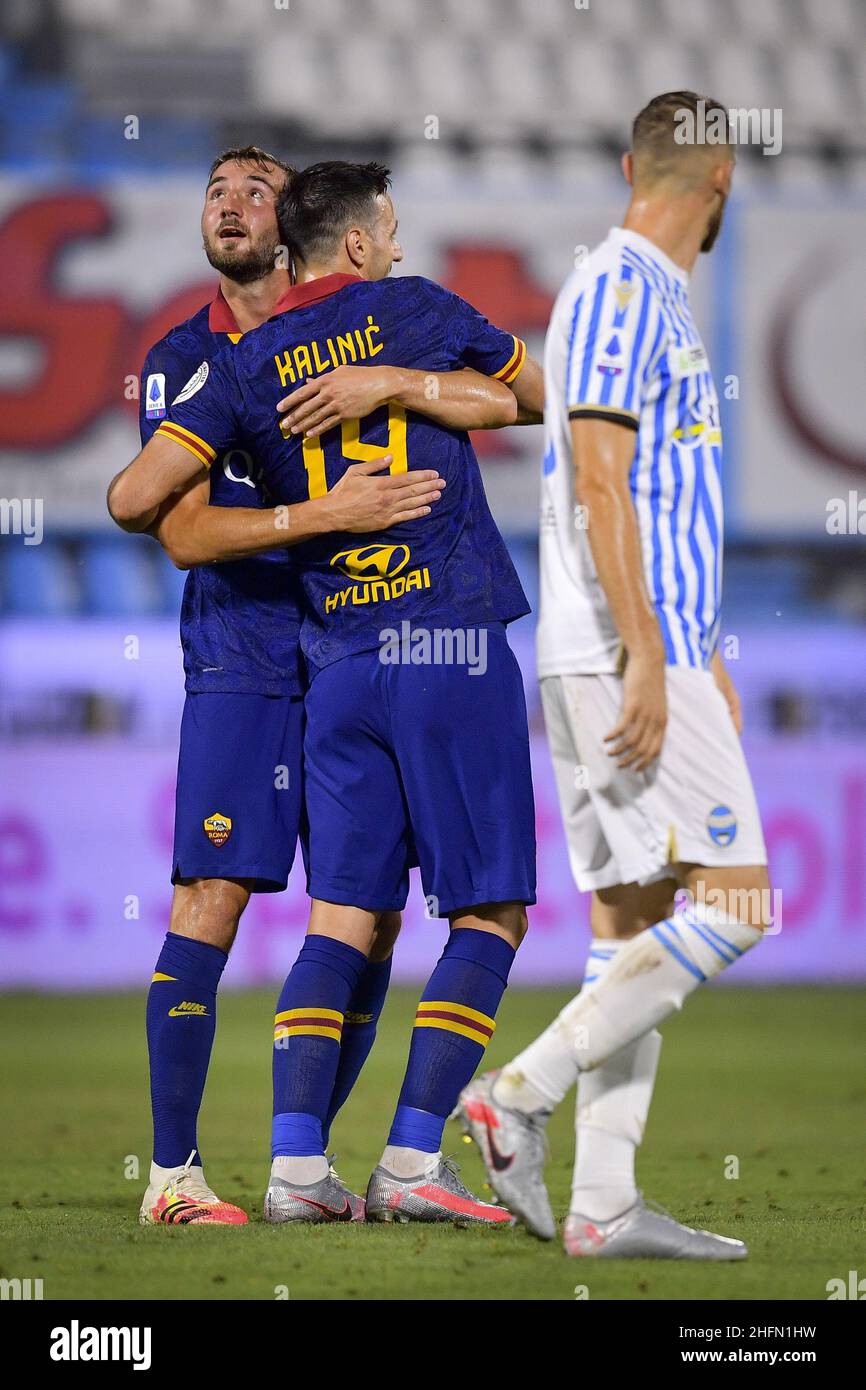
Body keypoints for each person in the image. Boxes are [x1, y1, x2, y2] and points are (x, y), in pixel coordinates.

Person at [108, 159, 545, 1226]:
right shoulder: (401, 309)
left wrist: (389, 389)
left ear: (288, 225)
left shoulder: (247, 368)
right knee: (473, 905)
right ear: (356, 242)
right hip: (331, 650)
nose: (229, 200)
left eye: (256, 187)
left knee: (358, 916)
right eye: (214, 184)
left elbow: (129, 494)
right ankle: (249, 1169)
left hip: (339, 656)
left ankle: (303, 1169)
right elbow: (542, 399)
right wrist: (332, 505)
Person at [459, 92, 769, 1261]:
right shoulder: (616, 283)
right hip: (614, 649)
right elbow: (594, 484)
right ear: (719, 175)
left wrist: (703, 647)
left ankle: (600, 1204)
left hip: (654, 643)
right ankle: (516, 1093)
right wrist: (648, 649)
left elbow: (657, 499)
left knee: (633, 913)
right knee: (738, 901)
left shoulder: (661, 299)